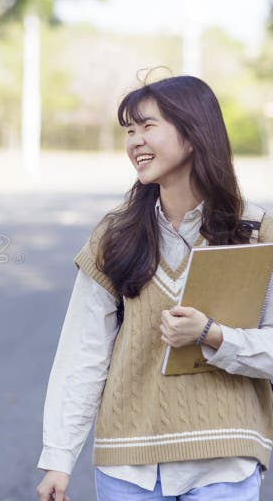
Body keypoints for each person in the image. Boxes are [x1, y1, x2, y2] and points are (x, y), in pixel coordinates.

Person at [36, 75, 273, 501]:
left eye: (148, 126)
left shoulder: (255, 232)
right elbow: (83, 351)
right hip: (128, 468)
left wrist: (214, 336)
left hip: (224, 461)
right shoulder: (114, 236)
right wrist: (59, 458)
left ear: (194, 133)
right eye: (129, 130)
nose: (135, 142)